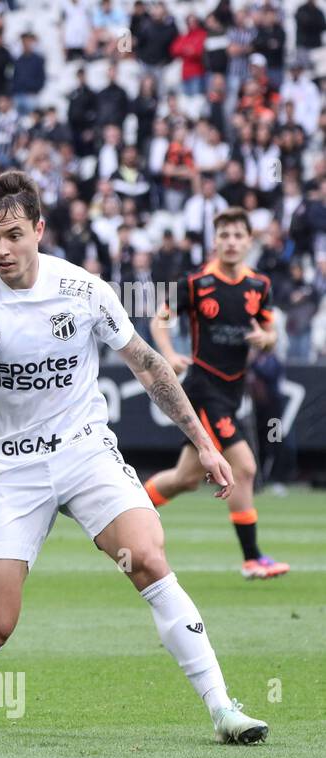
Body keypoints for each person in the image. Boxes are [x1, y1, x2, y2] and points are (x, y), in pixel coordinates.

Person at [0, 170, 269, 747]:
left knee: (149, 561)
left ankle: (222, 708)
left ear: (39, 228)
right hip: (9, 470)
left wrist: (205, 444)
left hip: (84, 452)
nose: (2, 250)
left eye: (13, 234)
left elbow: (149, 366)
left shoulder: (83, 289)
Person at [146, 208, 289, 579]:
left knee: (185, 478)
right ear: (216, 241)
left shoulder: (259, 286)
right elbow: (158, 318)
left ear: (248, 241)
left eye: (237, 235)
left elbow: (272, 335)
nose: (230, 242)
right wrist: (167, 354)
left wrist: (266, 338)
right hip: (203, 388)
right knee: (244, 467)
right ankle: (253, 558)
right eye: (224, 235)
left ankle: (125, 511)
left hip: (232, 390)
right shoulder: (195, 283)